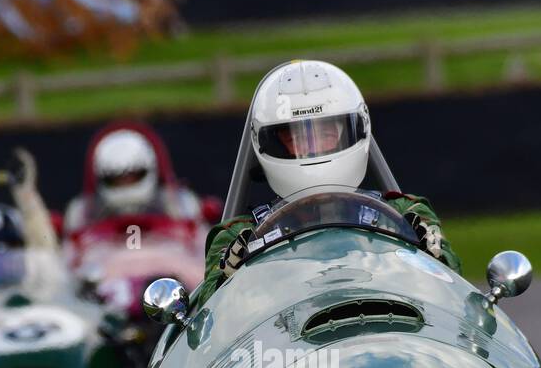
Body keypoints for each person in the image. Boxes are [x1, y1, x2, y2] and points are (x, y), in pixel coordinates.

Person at [198, 60, 457, 306]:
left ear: (356, 128)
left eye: (326, 133)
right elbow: (210, 315)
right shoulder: (236, 235)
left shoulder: (407, 212)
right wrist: (229, 275)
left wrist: (431, 255)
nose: (313, 148)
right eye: (297, 137)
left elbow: (452, 284)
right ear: (271, 142)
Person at [64, 125, 204, 234]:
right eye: (117, 180)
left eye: (132, 177)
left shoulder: (178, 205)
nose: (125, 184)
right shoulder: (82, 213)